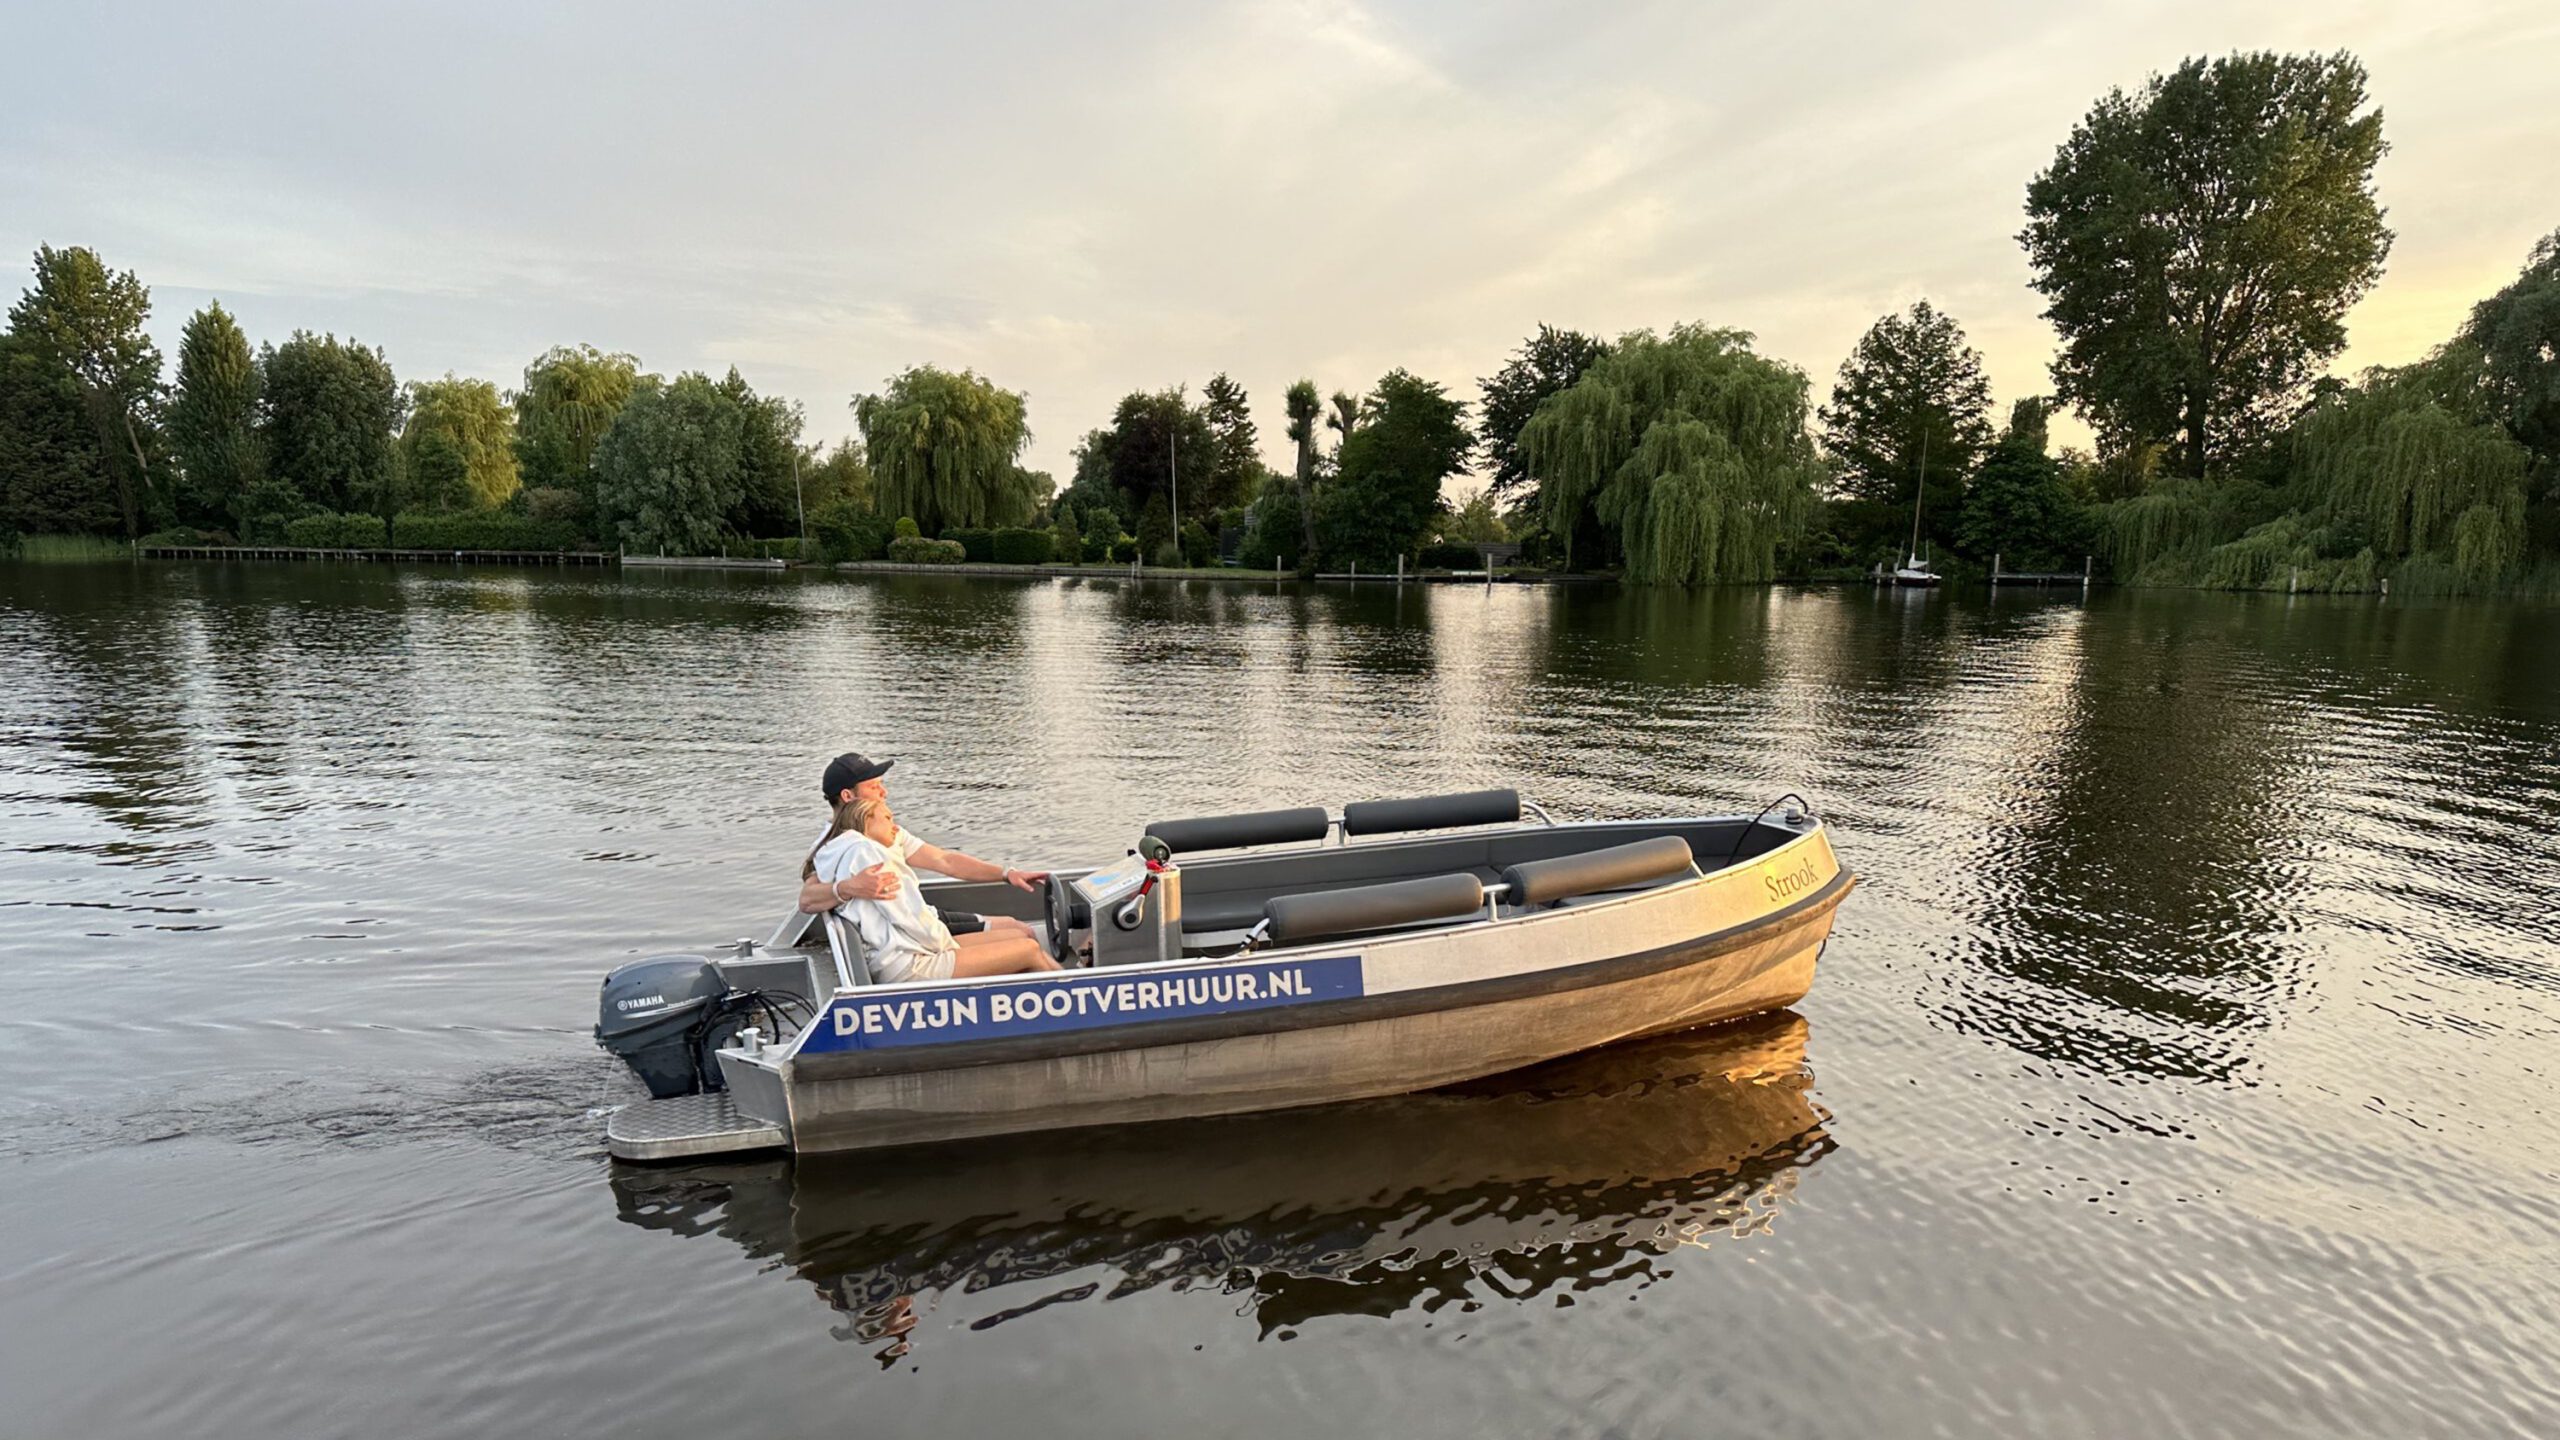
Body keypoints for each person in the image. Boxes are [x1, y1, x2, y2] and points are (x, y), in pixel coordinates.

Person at [795, 752, 1049, 949]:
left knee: (1019, 928)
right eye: (874, 787)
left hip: (926, 919)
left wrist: (1007, 874)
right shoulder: (833, 846)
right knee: (1023, 935)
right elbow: (807, 899)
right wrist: (849, 887)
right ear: (848, 796)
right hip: (908, 937)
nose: (884, 792)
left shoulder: (885, 830)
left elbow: (944, 860)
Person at [806, 795, 1057, 981]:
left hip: (897, 953)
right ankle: (1080, 1005)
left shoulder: (835, 852)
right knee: (1029, 950)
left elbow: (945, 861)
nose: (895, 826)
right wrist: (949, 946)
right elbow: (909, 918)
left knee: (1019, 936)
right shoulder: (869, 855)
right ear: (864, 820)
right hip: (908, 964)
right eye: (888, 818)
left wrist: (1006, 874)